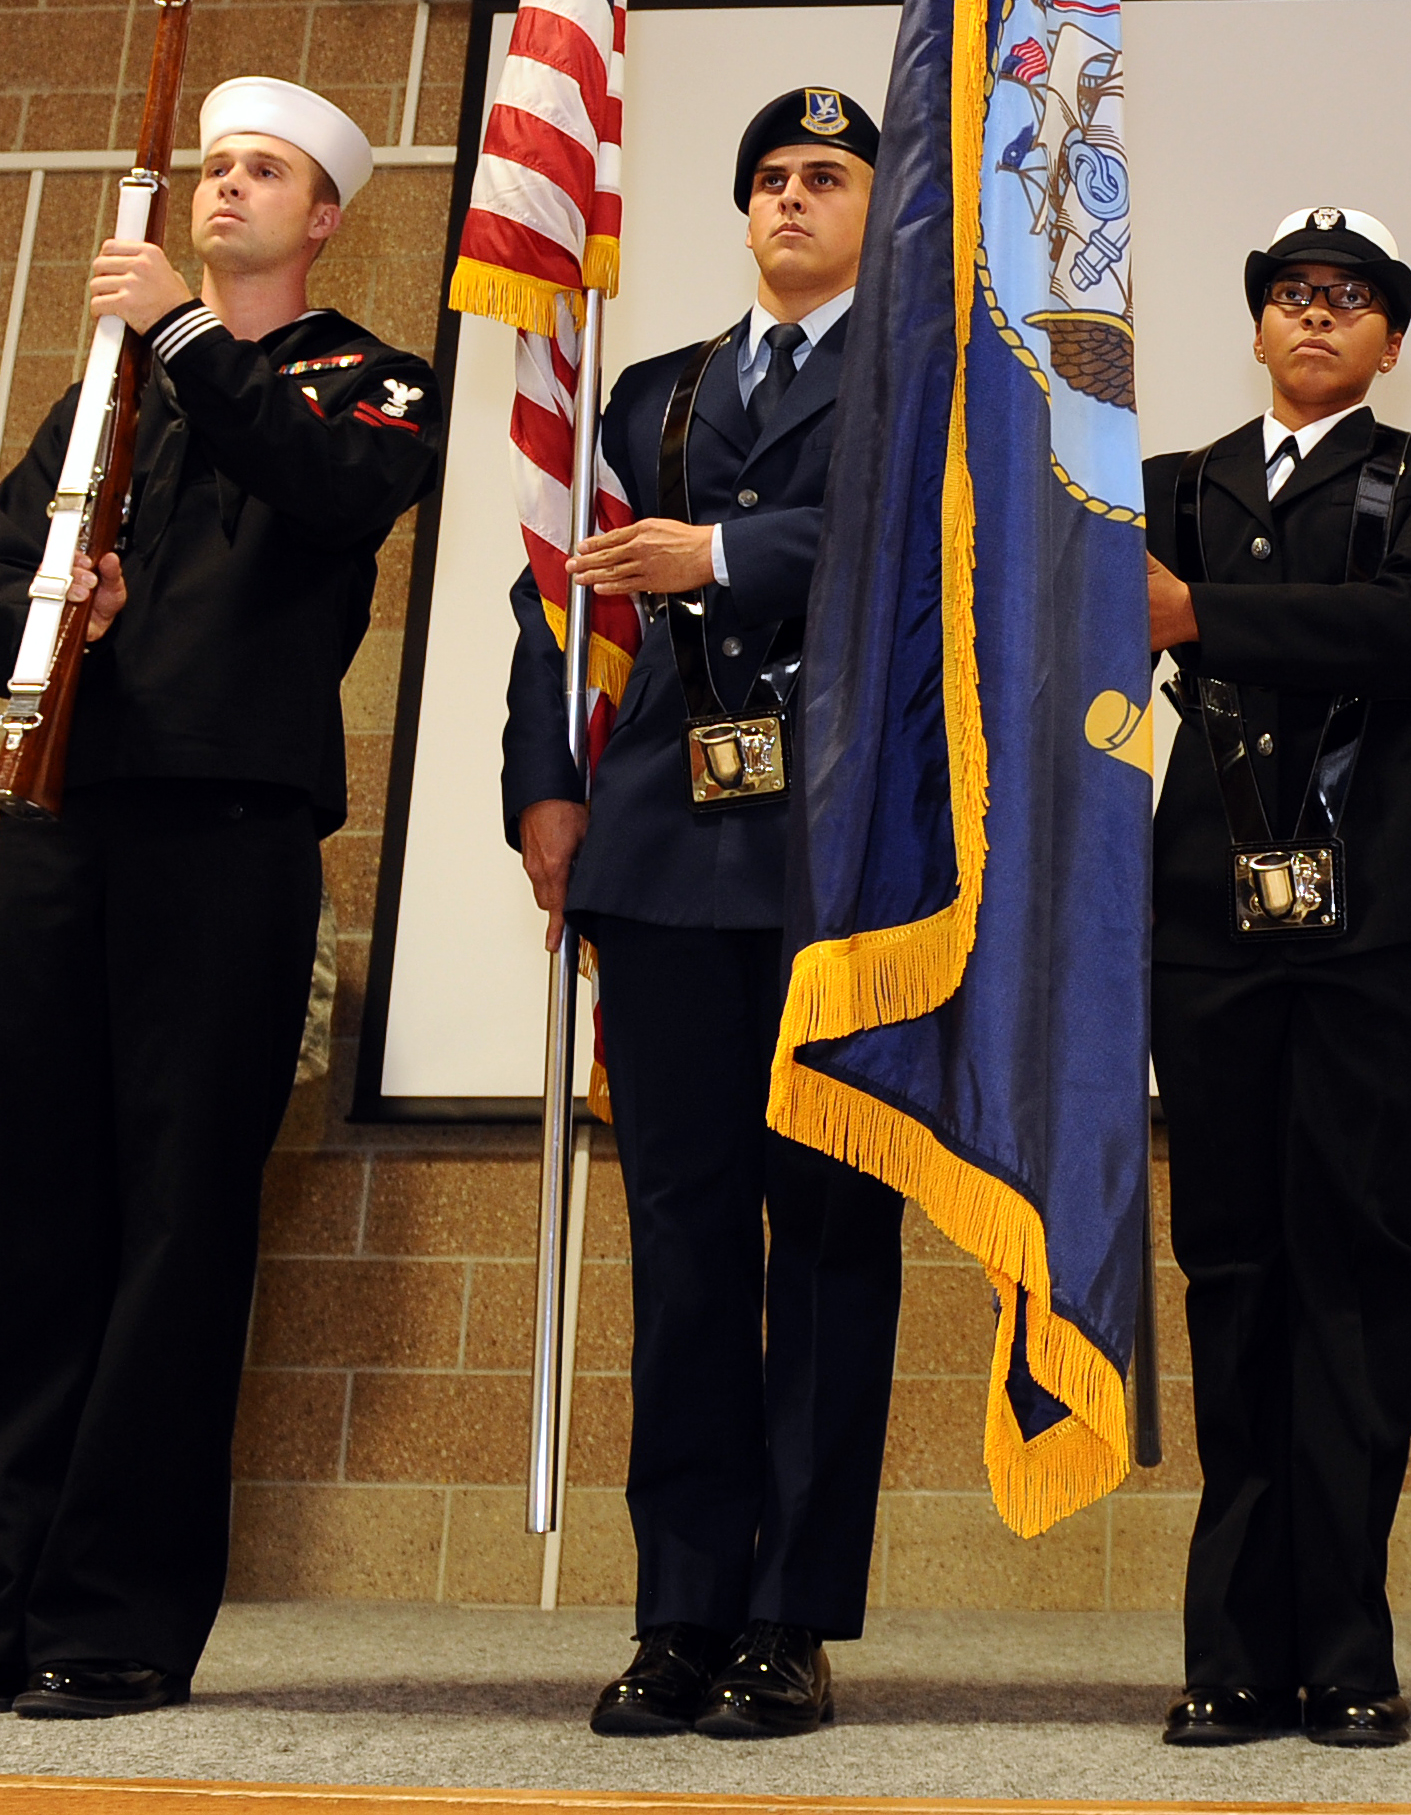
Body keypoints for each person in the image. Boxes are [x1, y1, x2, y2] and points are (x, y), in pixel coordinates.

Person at [0, 77, 434, 1722]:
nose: (224, 189)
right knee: (22, 1210)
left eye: (262, 171)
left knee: (175, 1221)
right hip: (64, 817)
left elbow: (331, 490)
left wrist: (182, 336)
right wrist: (60, 607)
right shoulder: (100, 398)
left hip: (229, 831)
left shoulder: (373, 378)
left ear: (324, 215)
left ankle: (116, 1618)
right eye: (212, 166)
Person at [502, 86, 896, 1744]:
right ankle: (680, 1609)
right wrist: (542, 782)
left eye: (827, 176)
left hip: (842, 859)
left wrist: (723, 554)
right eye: (770, 179)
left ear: (881, 208)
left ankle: (788, 1619)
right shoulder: (652, 390)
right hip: (665, 849)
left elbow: (918, 543)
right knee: (681, 1240)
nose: (792, 198)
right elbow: (557, 593)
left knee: (827, 1238)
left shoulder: (929, 379)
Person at [1142, 209, 1411, 1753]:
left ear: (1390, 339)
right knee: (1231, 1266)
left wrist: (1201, 617)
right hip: (1207, 908)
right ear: (1257, 324)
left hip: (1392, 913)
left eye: (1350, 299)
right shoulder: (1169, 484)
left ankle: (1349, 1649)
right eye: (1292, 294)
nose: (1316, 315)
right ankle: (1233, 1651)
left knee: (1352, 1267)